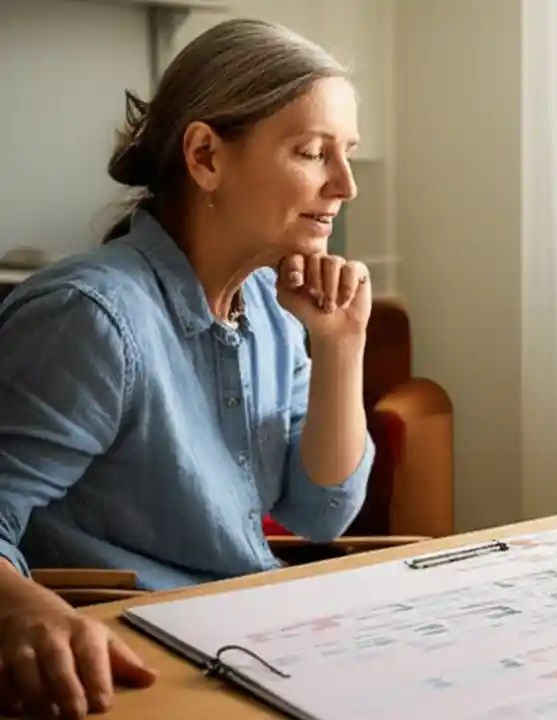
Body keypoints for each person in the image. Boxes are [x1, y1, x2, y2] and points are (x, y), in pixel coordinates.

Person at [0, 18, 376, 718]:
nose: (346, 184)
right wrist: (22, 609)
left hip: (246, 641)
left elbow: (320, 512)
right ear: (205, 156)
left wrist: (340, 345)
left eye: (347, 153)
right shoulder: (90, 318)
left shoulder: (268, 305)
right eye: (313, 152)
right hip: (136, 668)